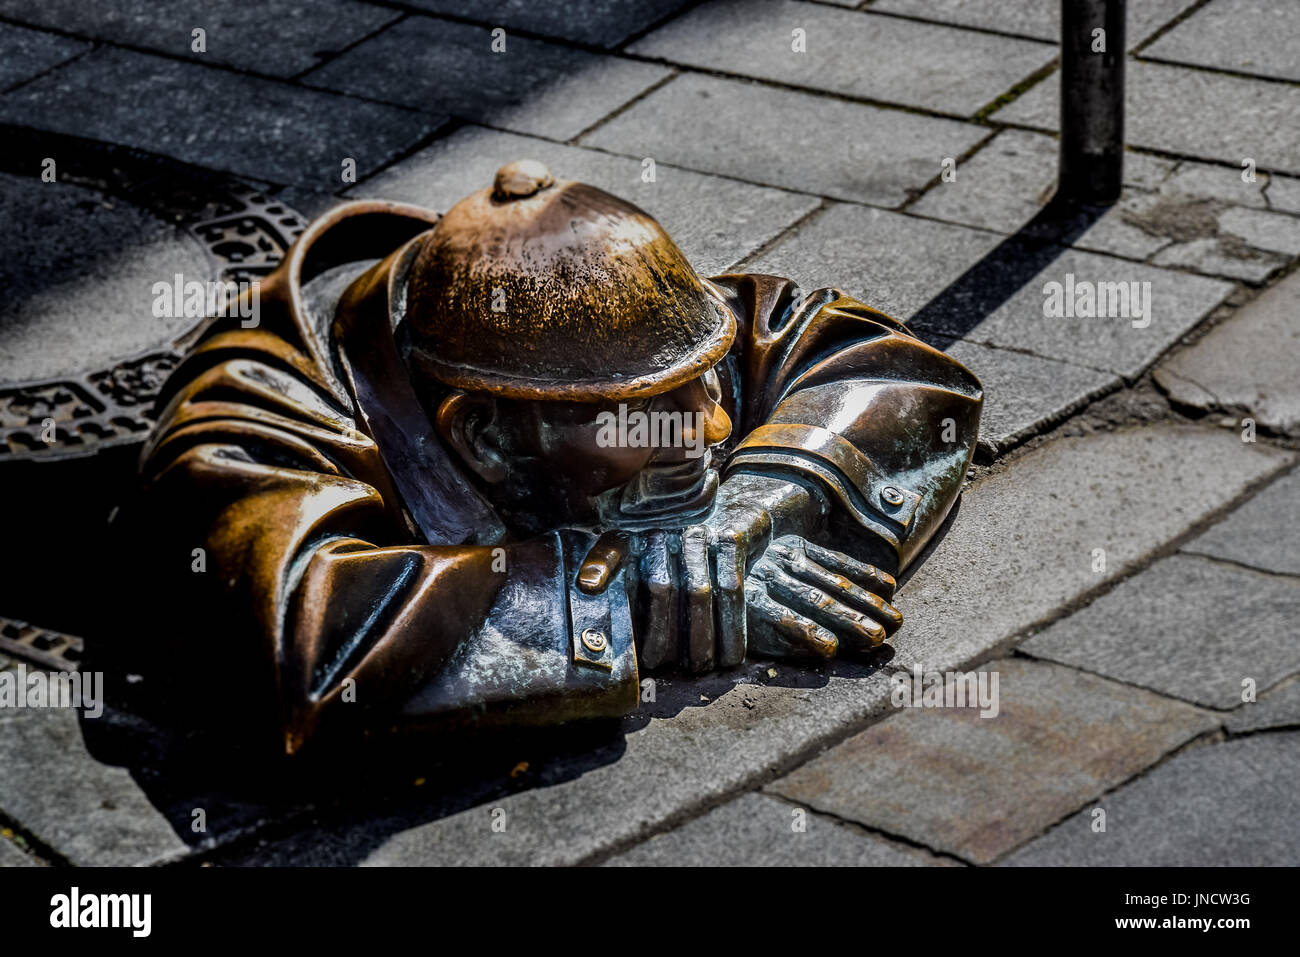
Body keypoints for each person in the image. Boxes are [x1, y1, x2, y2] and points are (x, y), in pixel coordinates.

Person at [116, 160, 982, 754]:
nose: (712, 424)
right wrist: (633, 595)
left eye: (703, 380)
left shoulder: (614, 333)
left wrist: (760, 505)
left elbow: (898, 372)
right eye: (641, 412)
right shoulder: (245, 432)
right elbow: (300, 638)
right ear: (484, 436)